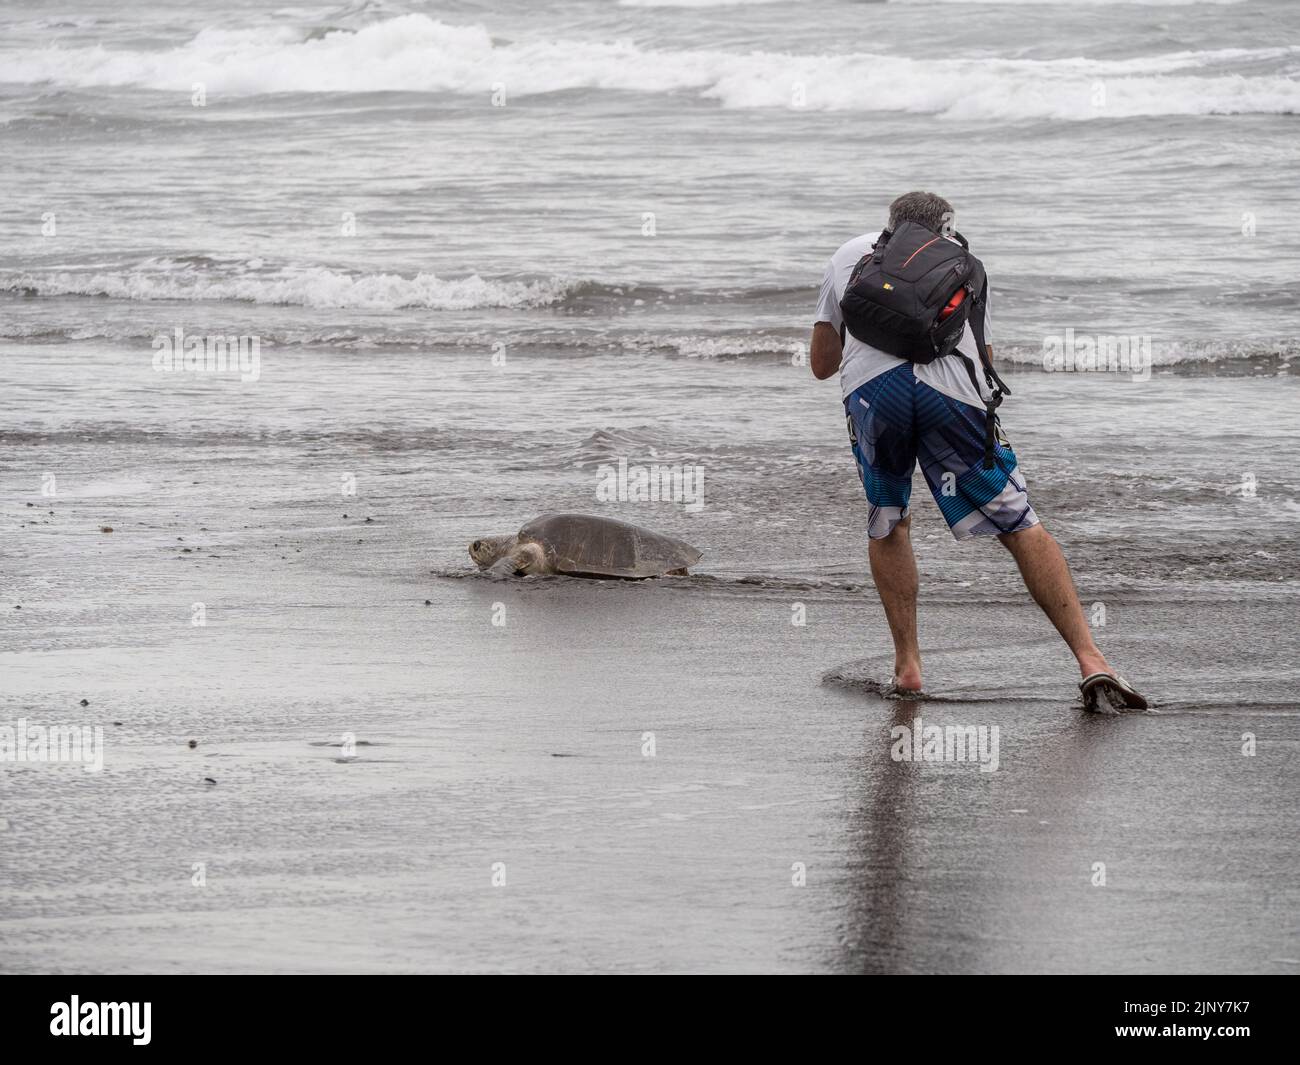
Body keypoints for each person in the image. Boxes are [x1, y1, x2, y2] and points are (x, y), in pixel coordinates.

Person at [810, 191, 1145, 711]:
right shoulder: (964, 263)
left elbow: (822, 363)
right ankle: (1091, 659)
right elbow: (984, 358)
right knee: (1019, 522)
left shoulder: (849, 254)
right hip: (952, 398)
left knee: (889, 519)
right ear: (947, 225)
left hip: (876, 396)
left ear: (890, 225)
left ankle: (909, 667)